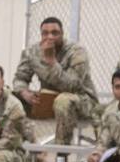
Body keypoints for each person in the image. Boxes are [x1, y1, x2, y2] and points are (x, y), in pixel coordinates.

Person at [12, 16, 99, 145]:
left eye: (55, 33)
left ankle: (61, 157)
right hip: (48, 100)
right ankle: (22, 148)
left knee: (63, 101)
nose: (50, 37)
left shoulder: (77, 52)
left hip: (81, 100)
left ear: (62, 34)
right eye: (45, 33)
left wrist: (51, 61)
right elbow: (20, 78)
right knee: (10, 97)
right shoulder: (31, 52)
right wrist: (24, 92)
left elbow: (73, 85)